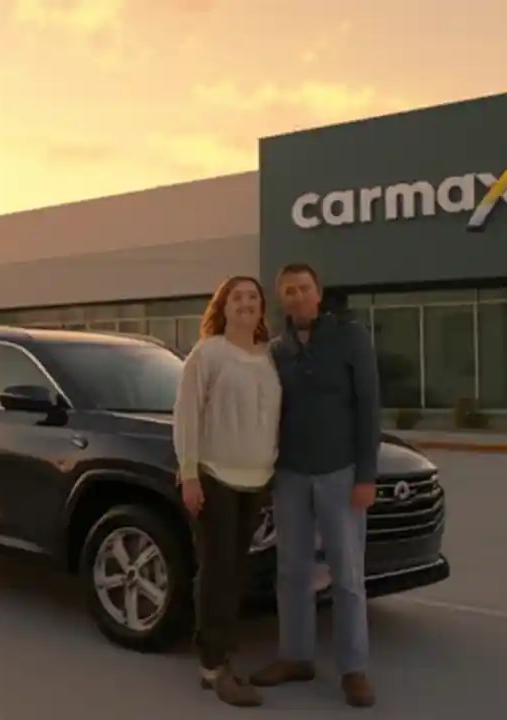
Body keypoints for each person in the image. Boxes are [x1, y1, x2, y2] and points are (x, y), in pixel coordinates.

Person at [248, 262, 381, 709]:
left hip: (339, 473)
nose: (298, 297)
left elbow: (369, 410)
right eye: (289, 291)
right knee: (292, 571)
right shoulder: (276, 350)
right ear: (281, 298)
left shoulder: (351, 339)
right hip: (289, 475)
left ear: (318, 293)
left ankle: (354, 669)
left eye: (304, 289)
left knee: (346, 575)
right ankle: (296, 657)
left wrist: (366, 475)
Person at [173, 275, 282, 708]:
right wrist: (189, 474)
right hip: (215, 477)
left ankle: (223, 655)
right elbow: (186, 415)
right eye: (236, 297)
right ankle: (213, 667)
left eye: (252, 297)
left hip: (258, 480)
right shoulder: (208, 353)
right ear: (223, 306)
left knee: (236, 573)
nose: (245, 303)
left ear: (260, 309)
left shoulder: (269, 357)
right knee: (216, 573)